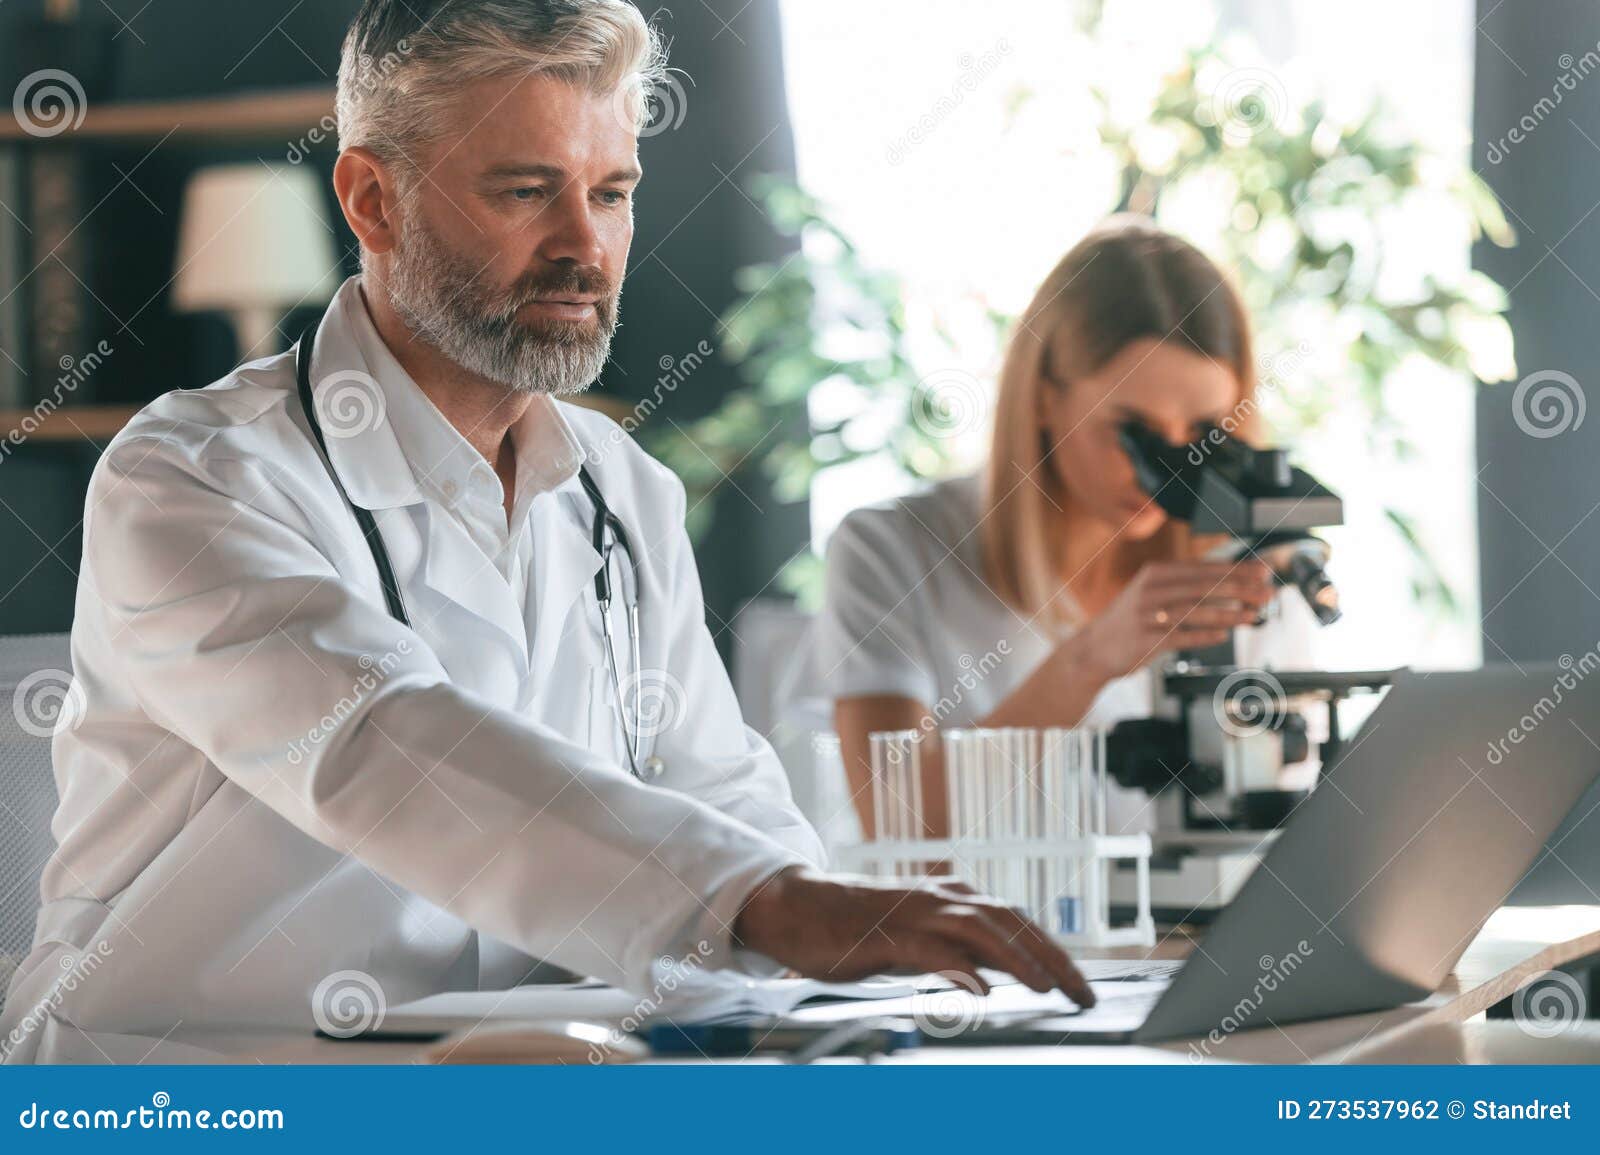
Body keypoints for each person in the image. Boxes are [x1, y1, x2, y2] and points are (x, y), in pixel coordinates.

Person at [0, 0, 1090, 1064]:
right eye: (525, 190)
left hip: (526, 1074)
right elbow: (381, 746)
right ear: (373, 201)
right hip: (203, 1081)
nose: (585, 246)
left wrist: (836, 977)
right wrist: (756, 902)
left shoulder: (625, 489)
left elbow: (718, 792)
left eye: (611, 192)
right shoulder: (189, 479)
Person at [817, 217, 1318, 839]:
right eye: (1133, 432)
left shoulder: (1243, 566)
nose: (1171, 470)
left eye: (1204, 436)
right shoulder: (891, 550)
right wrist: (1086, 663)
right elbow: (899, 827)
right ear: (1043, 398)